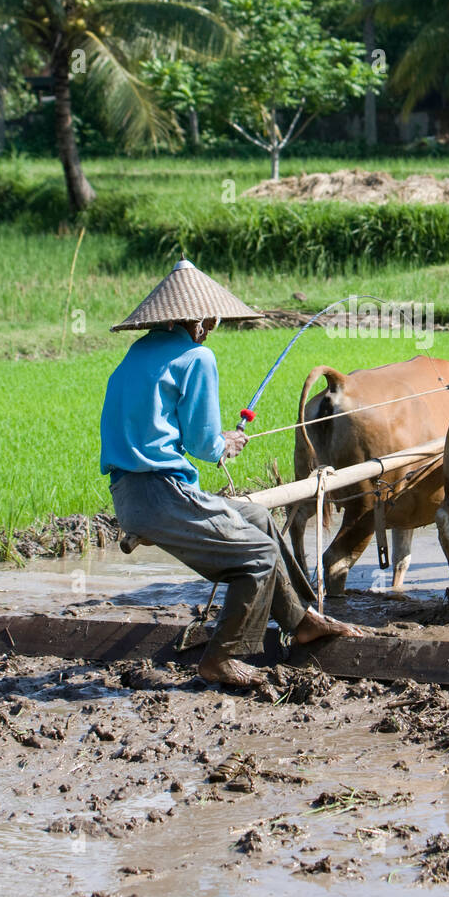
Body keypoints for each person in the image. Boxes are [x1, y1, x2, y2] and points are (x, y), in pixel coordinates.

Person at [100, 258, 361, 689]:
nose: (215, 327)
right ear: (201, 320)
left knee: (258, 519)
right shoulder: (197, 356)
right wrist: (225, 443)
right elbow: (205, 445)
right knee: (255, 557)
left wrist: (214, 438)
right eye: (214, 320)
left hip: (130, 493)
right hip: (162, 494)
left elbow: (156, 427)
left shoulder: (140, 352)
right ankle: (221, 657)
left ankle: (301, 619)